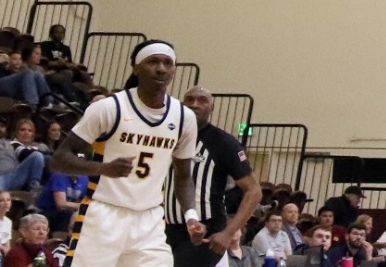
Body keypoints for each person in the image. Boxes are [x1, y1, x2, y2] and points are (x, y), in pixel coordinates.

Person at [49, 41, 201, 267]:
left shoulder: (184, 118)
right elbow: (59, 159)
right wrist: (103, 169)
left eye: (168, 63)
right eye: (153, 62)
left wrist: (191, 216)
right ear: (136, 68)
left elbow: (183, 176)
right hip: (104, 215)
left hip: (149, 220)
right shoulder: (109, 108)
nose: (161, 68)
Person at [169, 87, 261, 267]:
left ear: (212, 107)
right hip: (166, 228)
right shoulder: (170, 135)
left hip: (205, 232)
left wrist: (228, 232)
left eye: (202, 100)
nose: (194, 104)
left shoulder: (224, 143)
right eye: (190, 99)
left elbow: (254, 191)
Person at [0, 117, 47, 197]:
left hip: (17, 178)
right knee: (37, 156)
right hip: (6, 177)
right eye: (23, 130)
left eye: (29, 131)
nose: (26, 133)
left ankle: (36, 187)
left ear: (33, 134)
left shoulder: (35, 147)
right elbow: (24, 153)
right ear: (16, 132)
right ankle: (34, 186)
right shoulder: (13, 144)